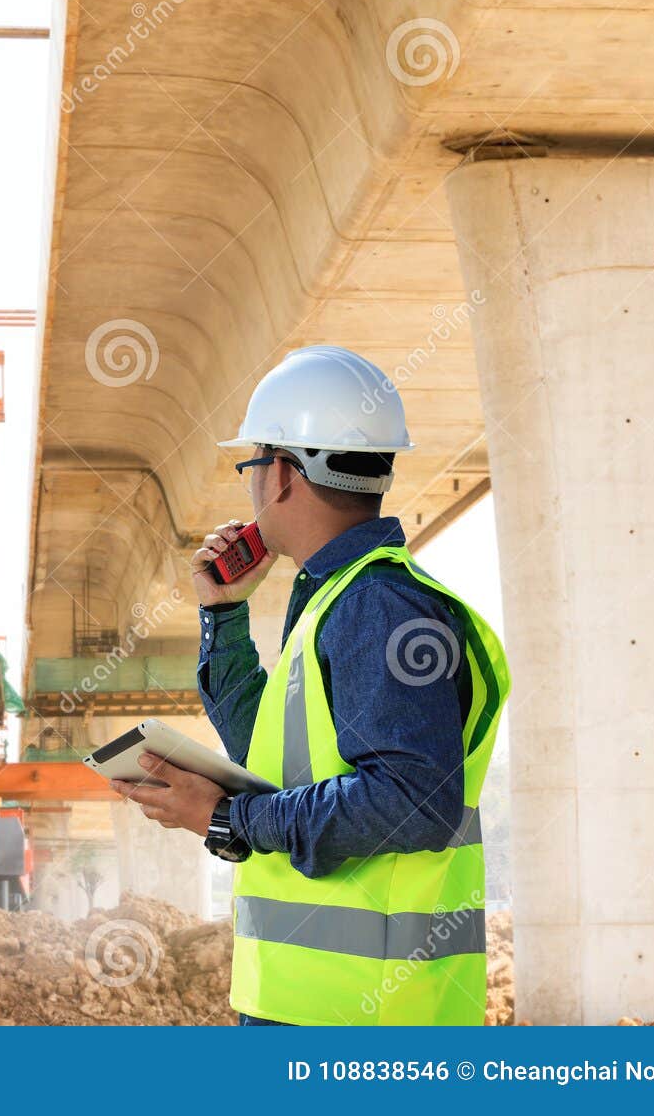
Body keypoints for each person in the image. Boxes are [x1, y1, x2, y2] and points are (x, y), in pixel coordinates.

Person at [112, 345, 510, 1026]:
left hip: (364, 1024)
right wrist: (224, 617)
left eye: (252, 465)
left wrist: (228, 816)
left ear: (284, 475)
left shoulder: (377, 607)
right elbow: (271, 757)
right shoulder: (342, 601)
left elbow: (414, 803)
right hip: (321, 1009)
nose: (251, 486)